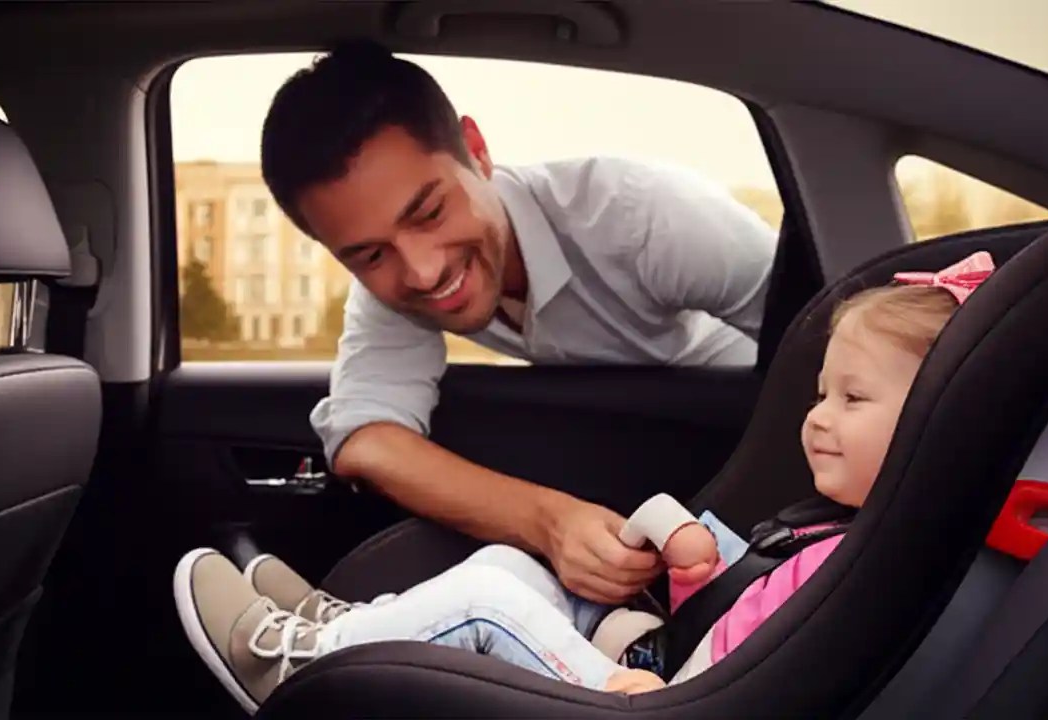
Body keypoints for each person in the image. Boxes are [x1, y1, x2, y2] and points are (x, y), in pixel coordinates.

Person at [174, 252, 998, 713]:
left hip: (659, 703)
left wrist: (665, 676)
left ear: (940, 420)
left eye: (852, 400)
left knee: (489, 607)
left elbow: (767, 670)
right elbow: (734, 598)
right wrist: (682, 547)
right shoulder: (833, 531)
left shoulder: (874, 560)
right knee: (510, 568)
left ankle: (296, 668)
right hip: (666, 665)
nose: (816, 418)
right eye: (820, 394)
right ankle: (351, 627)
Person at [258, 41, 780, 605]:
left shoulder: (643, 217)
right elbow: (367, 440)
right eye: (369, 256)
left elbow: (829, 330)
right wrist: (548, 523)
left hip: (750, 439)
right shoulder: (392, 288)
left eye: (431, 212)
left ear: (477, 152)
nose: (423, 271)